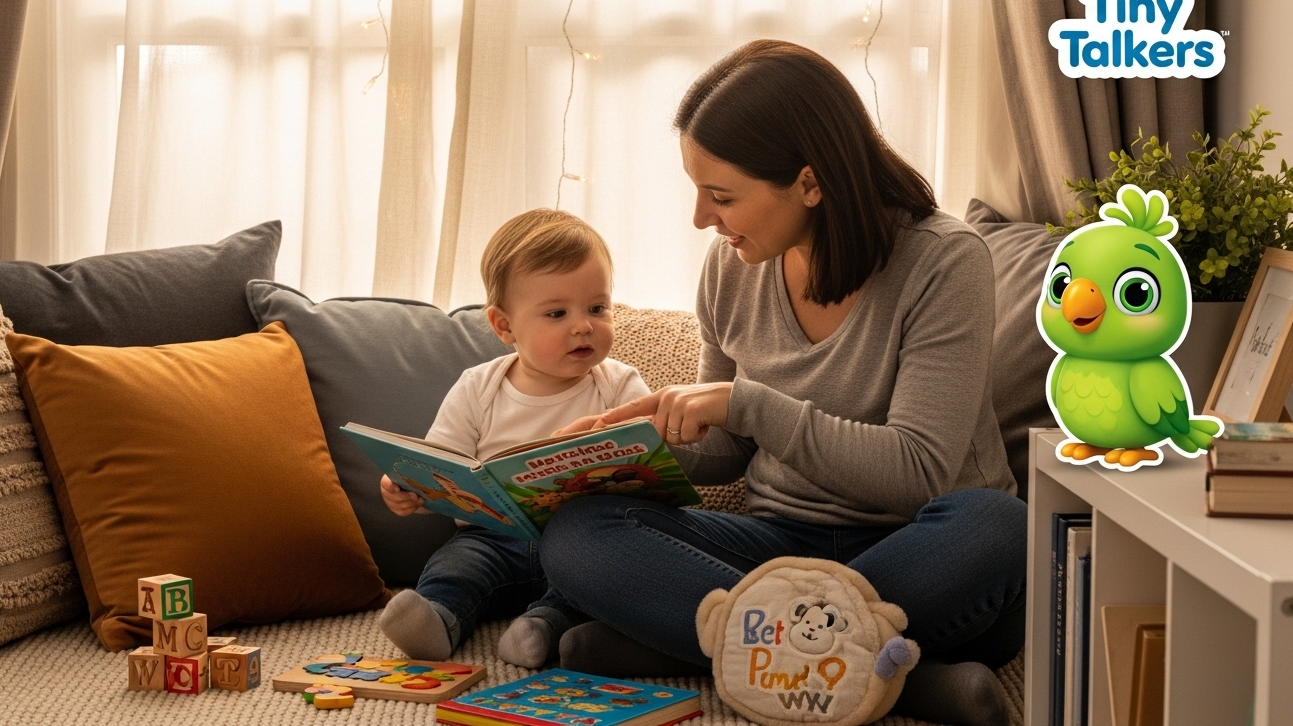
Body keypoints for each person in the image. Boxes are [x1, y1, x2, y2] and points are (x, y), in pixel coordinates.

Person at [539, 40, 1025, 726]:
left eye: (723, 196)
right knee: (579, 532)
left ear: (809, 182)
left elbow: (918, 471)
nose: (703, 219)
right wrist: (643, 447)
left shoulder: (944, 263)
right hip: (777, 549)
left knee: (1000, 528)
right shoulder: (731, 266)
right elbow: (728, 453)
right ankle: (894, 681)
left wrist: (747, 405)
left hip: (917, 545)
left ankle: (711, 648)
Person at [377, 208, 651, 669]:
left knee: (594, 582)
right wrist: (408, 490)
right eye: (557, 313)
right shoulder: (478, 386)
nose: (582, 325)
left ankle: (541, 627)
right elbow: (439, 466)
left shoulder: (619, 385)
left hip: (578, 543)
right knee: (453, 568)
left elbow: (654, 455)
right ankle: (438, 620)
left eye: (597, 308)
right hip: (490, 539)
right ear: (505, 326)